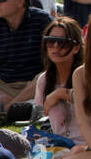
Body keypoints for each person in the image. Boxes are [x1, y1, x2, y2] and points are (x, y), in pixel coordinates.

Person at [32, 16, 84, 144]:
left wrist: (60, 94)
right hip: (59, 145)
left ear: (76, 47)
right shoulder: (44, 80)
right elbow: (39, 115)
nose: (55, 46)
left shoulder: (84, 75)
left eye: (63, 42)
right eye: (50, 41)